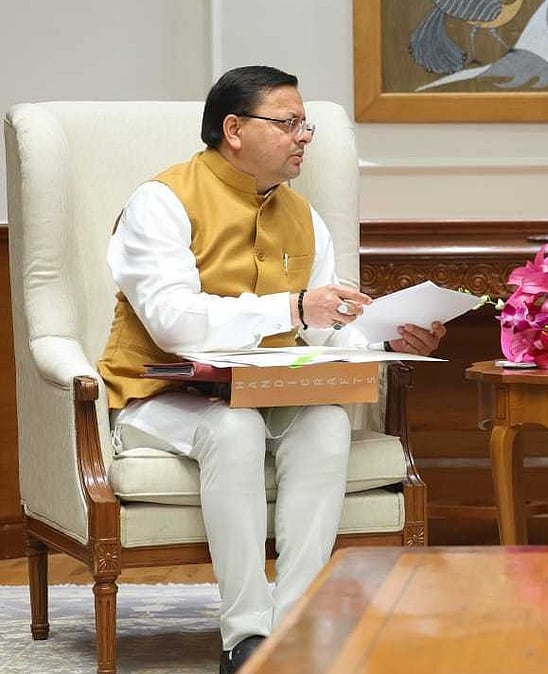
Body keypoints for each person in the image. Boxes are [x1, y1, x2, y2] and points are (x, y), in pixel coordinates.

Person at [96, 65, 446, 674]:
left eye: (302, 123)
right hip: (158, 395)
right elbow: (172, 323)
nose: (302, 135)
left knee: (327, 423)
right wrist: (289, 306)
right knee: (234, 429)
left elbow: (322, 329)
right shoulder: (161, 202)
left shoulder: (302, 215)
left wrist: (393, 332)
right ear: (234, 129)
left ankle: (298, 623)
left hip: (269, 390)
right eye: (287, 123)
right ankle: (246, 637)